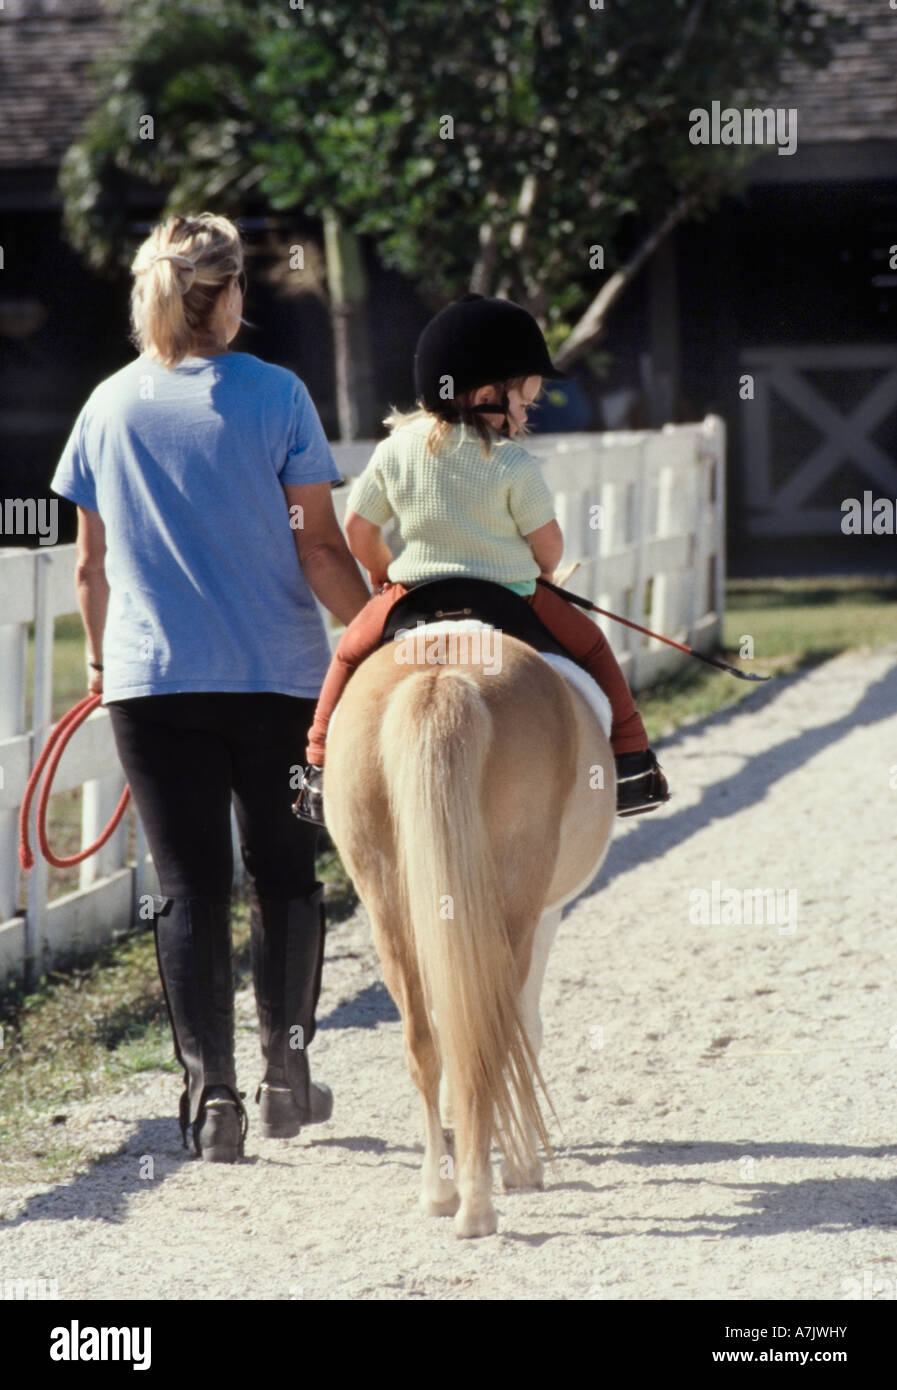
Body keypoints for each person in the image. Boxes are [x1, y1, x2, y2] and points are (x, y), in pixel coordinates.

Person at [50, 213, 370, 1162]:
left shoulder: (106, 406)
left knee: (187, 888)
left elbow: (89, 568)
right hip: (279, 681)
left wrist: (107, 666)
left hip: (152, 688)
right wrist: (374, 633)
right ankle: (287, 1074)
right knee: (285, 875)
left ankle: (212, 1100)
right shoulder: (277, 396)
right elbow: (316, 543)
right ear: (225, 294)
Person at [294, 293, 669, 825]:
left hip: (411, 597)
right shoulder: (513, 463)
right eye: (522, 401)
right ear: (488, 393)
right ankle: (632, 765)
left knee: (350, 653)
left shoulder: (395, 451)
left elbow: (358, 530)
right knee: (592, 645)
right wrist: (541, 573)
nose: (523, 417)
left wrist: (380, 572)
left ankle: (317, 770)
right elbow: (550, 543)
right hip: (512, 595)